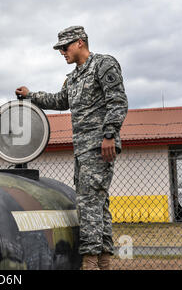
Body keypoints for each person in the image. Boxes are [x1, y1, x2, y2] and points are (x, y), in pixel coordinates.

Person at [16, 26, 128, 270]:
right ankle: (104, 262)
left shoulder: (103, 64)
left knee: (88, 203)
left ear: (79, 43)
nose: (62, 52)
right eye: (59, 49)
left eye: (64, 47)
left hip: (99, 147)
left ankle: (89, 263)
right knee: (98, 204)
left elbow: (117, 101)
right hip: (82, 151)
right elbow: (60, 100)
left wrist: (109, 134)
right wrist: (30, 95)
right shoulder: (75, 77)